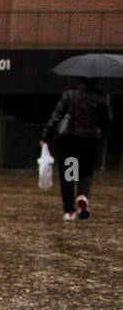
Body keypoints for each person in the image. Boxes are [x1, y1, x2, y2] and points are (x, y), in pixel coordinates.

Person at [42, 78, 111, 221]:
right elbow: (106, 121)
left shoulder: (70, 95)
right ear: (99, 80)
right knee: (86, 172)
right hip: (90, 141)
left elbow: (56, 116)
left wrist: (45, 136)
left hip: (70, 141)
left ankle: (69, 212)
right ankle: (83, 195)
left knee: (69, 175)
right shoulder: (103, 97)